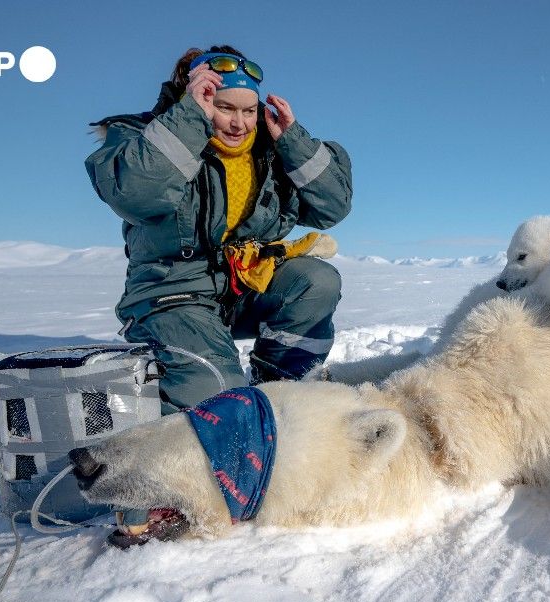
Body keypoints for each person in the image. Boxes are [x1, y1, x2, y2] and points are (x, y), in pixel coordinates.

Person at [84, 45, 352, 545]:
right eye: (224, 107)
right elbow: (136, 194)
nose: (238, 122)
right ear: (194, 96)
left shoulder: (269, 150)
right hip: (171, 293)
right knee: (218, 397)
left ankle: (277, 397)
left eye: (248, 110)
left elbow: (333, 207)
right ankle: (160, 483)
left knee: (316, 281)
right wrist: (190, 117)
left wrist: (293, 141)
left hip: (242, 286)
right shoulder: (142, 135)